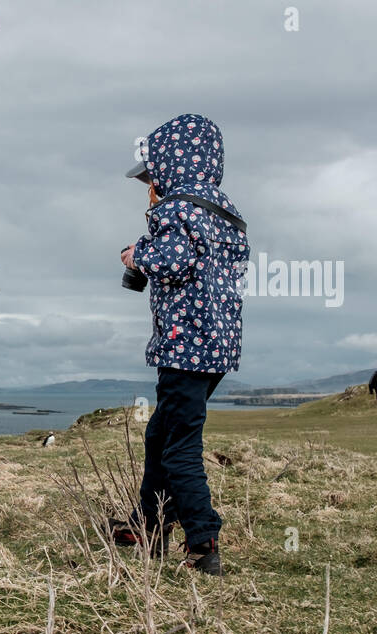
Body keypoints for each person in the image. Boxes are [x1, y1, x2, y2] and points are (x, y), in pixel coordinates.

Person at [111, 114, 250, 576]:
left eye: (152, 176)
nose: (149, 186)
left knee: (179, 447)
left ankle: (203, 541)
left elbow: (171, 262)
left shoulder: (176, 210)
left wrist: (138, 254)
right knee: (160, 435)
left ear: (171, 167)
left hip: (184, 345)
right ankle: (148, 522)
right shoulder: (224, 211)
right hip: (217, 345)